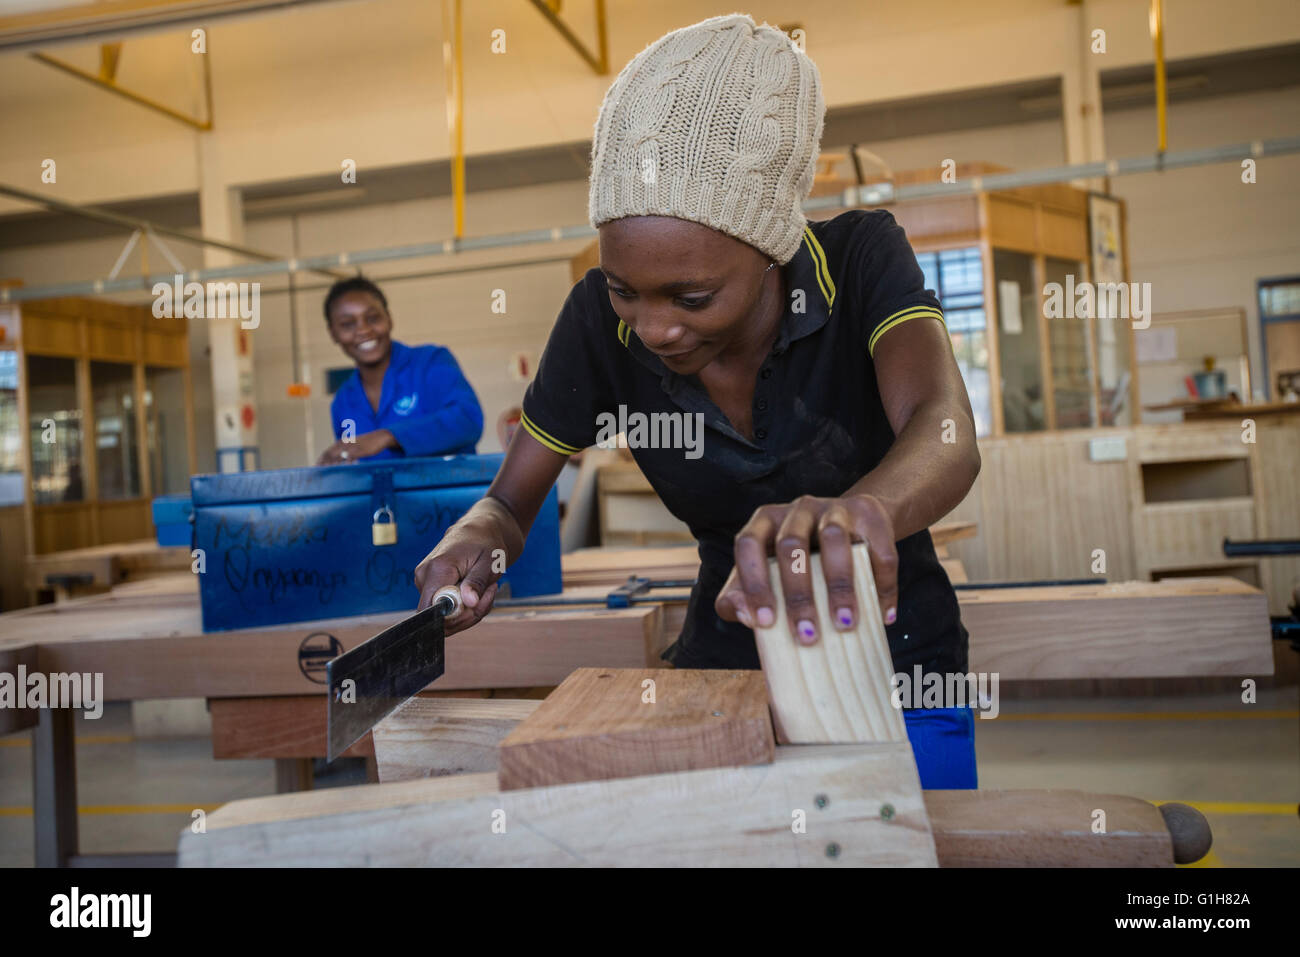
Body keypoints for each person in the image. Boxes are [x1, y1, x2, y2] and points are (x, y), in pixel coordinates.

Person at [413, 15, 982, 787]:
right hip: (725, 661)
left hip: (896, 650)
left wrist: (863, 511)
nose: (653, 327)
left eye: (692, 296)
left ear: (771, 245)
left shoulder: (858, 261)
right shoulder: (594, 322)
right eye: (625, 290)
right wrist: (477, 534)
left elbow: (943, 429)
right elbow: (510, 505)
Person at [318, 276, 483, 464]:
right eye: (348, 324)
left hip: (449, 492)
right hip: (381, 494)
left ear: (389, 319)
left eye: (373, 318)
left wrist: (388, 436)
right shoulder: (343, 403)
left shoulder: (430, 362)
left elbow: (467, 420)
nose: (363, 330)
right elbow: (351, 462)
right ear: (333, 333)